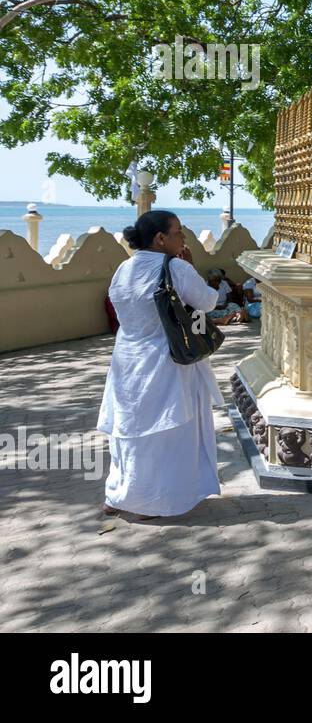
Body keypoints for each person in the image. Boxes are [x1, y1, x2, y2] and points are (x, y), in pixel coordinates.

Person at [98, 210, 223, 520]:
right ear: (160, 238)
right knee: (164, 433)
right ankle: (152, 502)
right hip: (165, 361)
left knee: (128, 431)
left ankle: (118, 495)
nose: (184, 238)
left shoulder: (124, 269)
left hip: (127, 360)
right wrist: (193, 268)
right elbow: (208, 301)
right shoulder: (176, 267)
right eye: (179, 232)